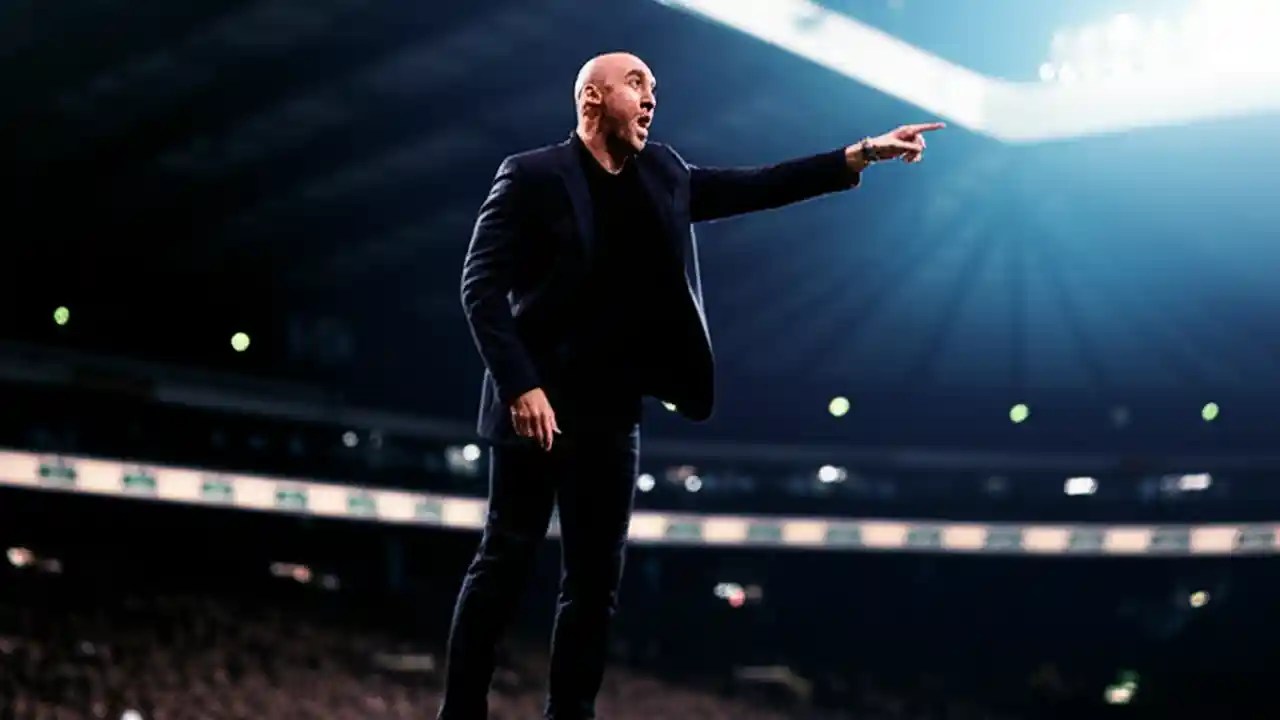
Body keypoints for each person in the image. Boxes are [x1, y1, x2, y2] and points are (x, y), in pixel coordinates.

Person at [442, 51, 943, 719]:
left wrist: (858, 155)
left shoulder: (665, 173)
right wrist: (520, 386)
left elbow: (757, 184)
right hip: (538, 409)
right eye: (637, 85)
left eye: (655, 88)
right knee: (504, 565)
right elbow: (479, 289)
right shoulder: (532, 175)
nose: (652, 98)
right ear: (592, 99)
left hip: (613, 415)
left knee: (593, 588)